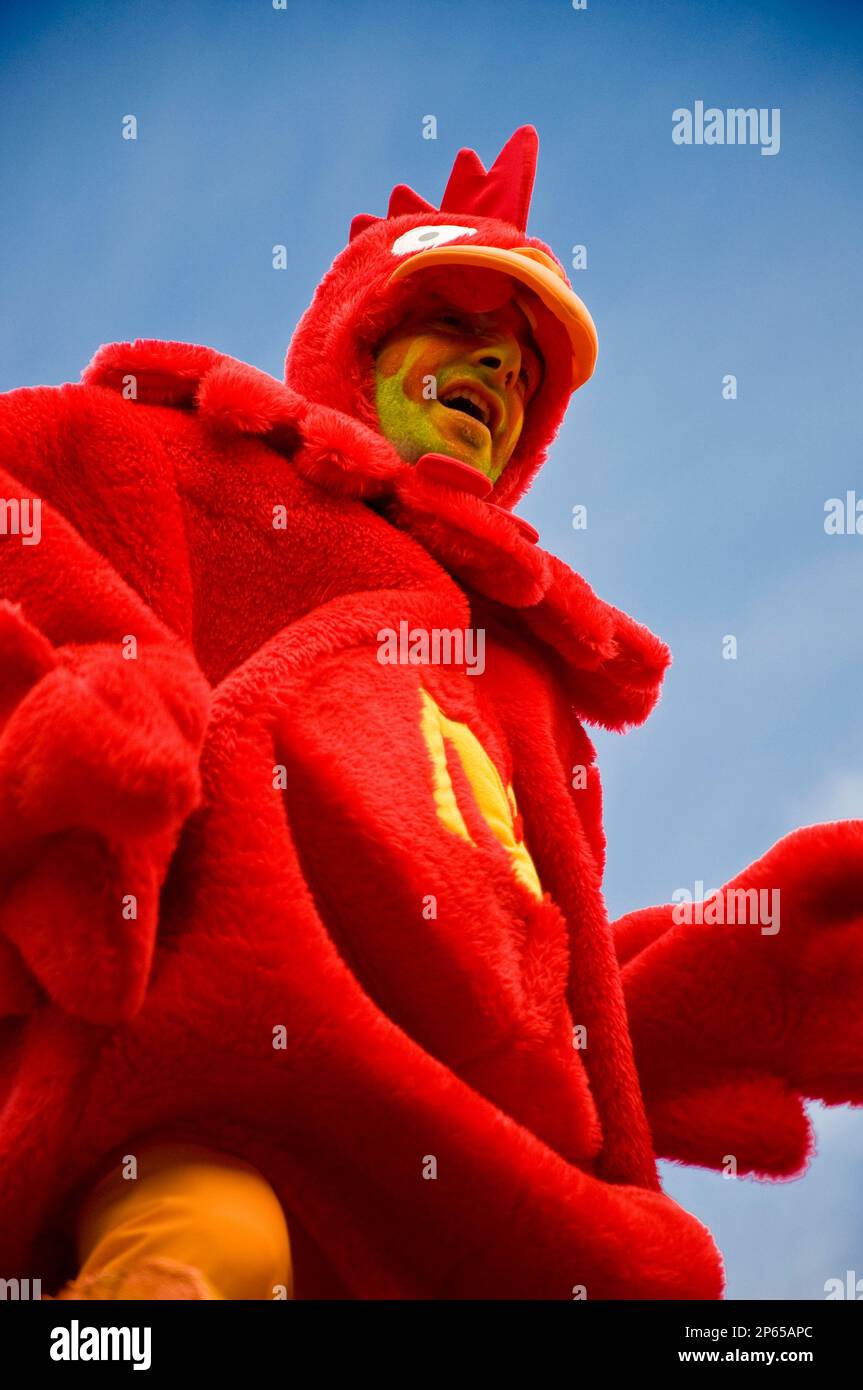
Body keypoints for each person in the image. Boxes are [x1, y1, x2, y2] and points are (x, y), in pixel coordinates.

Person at [1, 127, 860, 1300]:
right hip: (217, 1105)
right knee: (200, 1263)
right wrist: (100, 688)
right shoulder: (190, 466)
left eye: (521, 366)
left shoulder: (526, 691)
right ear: (357, 342)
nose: (497, 369)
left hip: (472, 1202)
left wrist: (735, 966)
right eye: (455, 324)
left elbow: (540, 988)